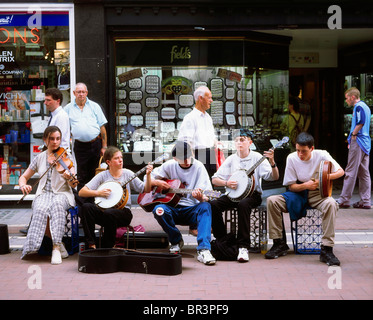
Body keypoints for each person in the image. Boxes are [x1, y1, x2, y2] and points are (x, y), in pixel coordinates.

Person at [265, 132, 345, 266]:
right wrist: (305, 185)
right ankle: (279, 243)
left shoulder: (322, 154)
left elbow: (341, 171)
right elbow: (291, 186)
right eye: (297, 150)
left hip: (319, 193)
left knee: (331, 204)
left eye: (304, 151)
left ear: (312, 149)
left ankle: (327, 249)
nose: (300, 154)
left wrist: (324, 178)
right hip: (298, 193)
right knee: (272, 201)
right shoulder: (291, 158)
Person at [209, 129, 279, 262]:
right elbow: (214, 179)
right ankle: (223, 239)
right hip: (233, 195)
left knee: (243, 205)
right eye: (236, 140)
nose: (239, 142)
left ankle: (243, 247)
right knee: (213, 204)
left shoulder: (257, 157)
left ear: (250, 142)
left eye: (242, 139)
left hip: (252, 195)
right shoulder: (231, 159)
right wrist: (226, 183)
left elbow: (273, 177)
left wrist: (273, 163)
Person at [147, 140, 216, 265]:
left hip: (191, 209)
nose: (186, 161)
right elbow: (149, 178)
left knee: (205, 206)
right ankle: (176, 241)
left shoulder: (199, 166)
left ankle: (204, 249)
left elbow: (209, 194)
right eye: (182, 159)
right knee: (158, 210)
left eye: (188, 157)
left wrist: (201, 198)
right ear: (174, 158)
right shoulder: (169, 165)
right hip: (172, 208)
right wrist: (157, 183)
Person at [19, 126, 76, 264]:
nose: (55, 142)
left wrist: (69, 177)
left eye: (57, 139)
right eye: (51, 139)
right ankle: (54, 244)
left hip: (62, 193)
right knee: (40, 208)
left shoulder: (66, 157)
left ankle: (56, 248)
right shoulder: (39, 158)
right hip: (44, 193)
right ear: (45, 140)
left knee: (56, 205)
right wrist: (23, 185)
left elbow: (74, 185)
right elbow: (24, 177)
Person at [78, 146, 153, 249]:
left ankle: (107, 248)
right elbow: (82, 192)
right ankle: (91, 245)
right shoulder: (103, 175)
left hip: (123, 213)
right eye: (116, 158)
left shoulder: (127, 173)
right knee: (86, 207)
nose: (121, 160)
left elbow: (146, 189)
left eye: (121, 157)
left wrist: (148, 175)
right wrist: (98, 193)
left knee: (110, 213)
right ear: (108, 162)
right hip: (105, 212)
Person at [64, 83, 108, 190]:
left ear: (87, 93)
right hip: (80, 146)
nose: (81, 94)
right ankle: (82, 202)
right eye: (78, 92)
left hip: (95, 144)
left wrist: (104, 146)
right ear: (74, 93)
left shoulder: (94, 106)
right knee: (82, 175)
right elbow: (65, 129)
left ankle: (95, 202)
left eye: (83, 92)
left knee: (95, 174)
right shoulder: (68, 108)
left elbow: (102, 128)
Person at [337, 87, 371, 209]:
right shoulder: (366, 107)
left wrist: (353, 135)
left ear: (352, 97)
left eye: (347, 98)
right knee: (364, 173)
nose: (346, 101)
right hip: (366, 143)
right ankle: (365, 200)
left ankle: (344, 199)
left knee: (350, 171)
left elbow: (360, 122)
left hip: (358, 141)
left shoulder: (358, 107)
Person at [178, 85, 217, 177]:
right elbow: (185, 141)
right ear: (201, 98)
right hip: (198, 155)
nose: (211, 101)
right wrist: (191, 161)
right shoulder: (190, 118)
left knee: (210, 184)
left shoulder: (208, 117)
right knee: (199, 186)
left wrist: (216, 142)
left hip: (210, 155)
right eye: (209, 98)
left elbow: (211, 136)